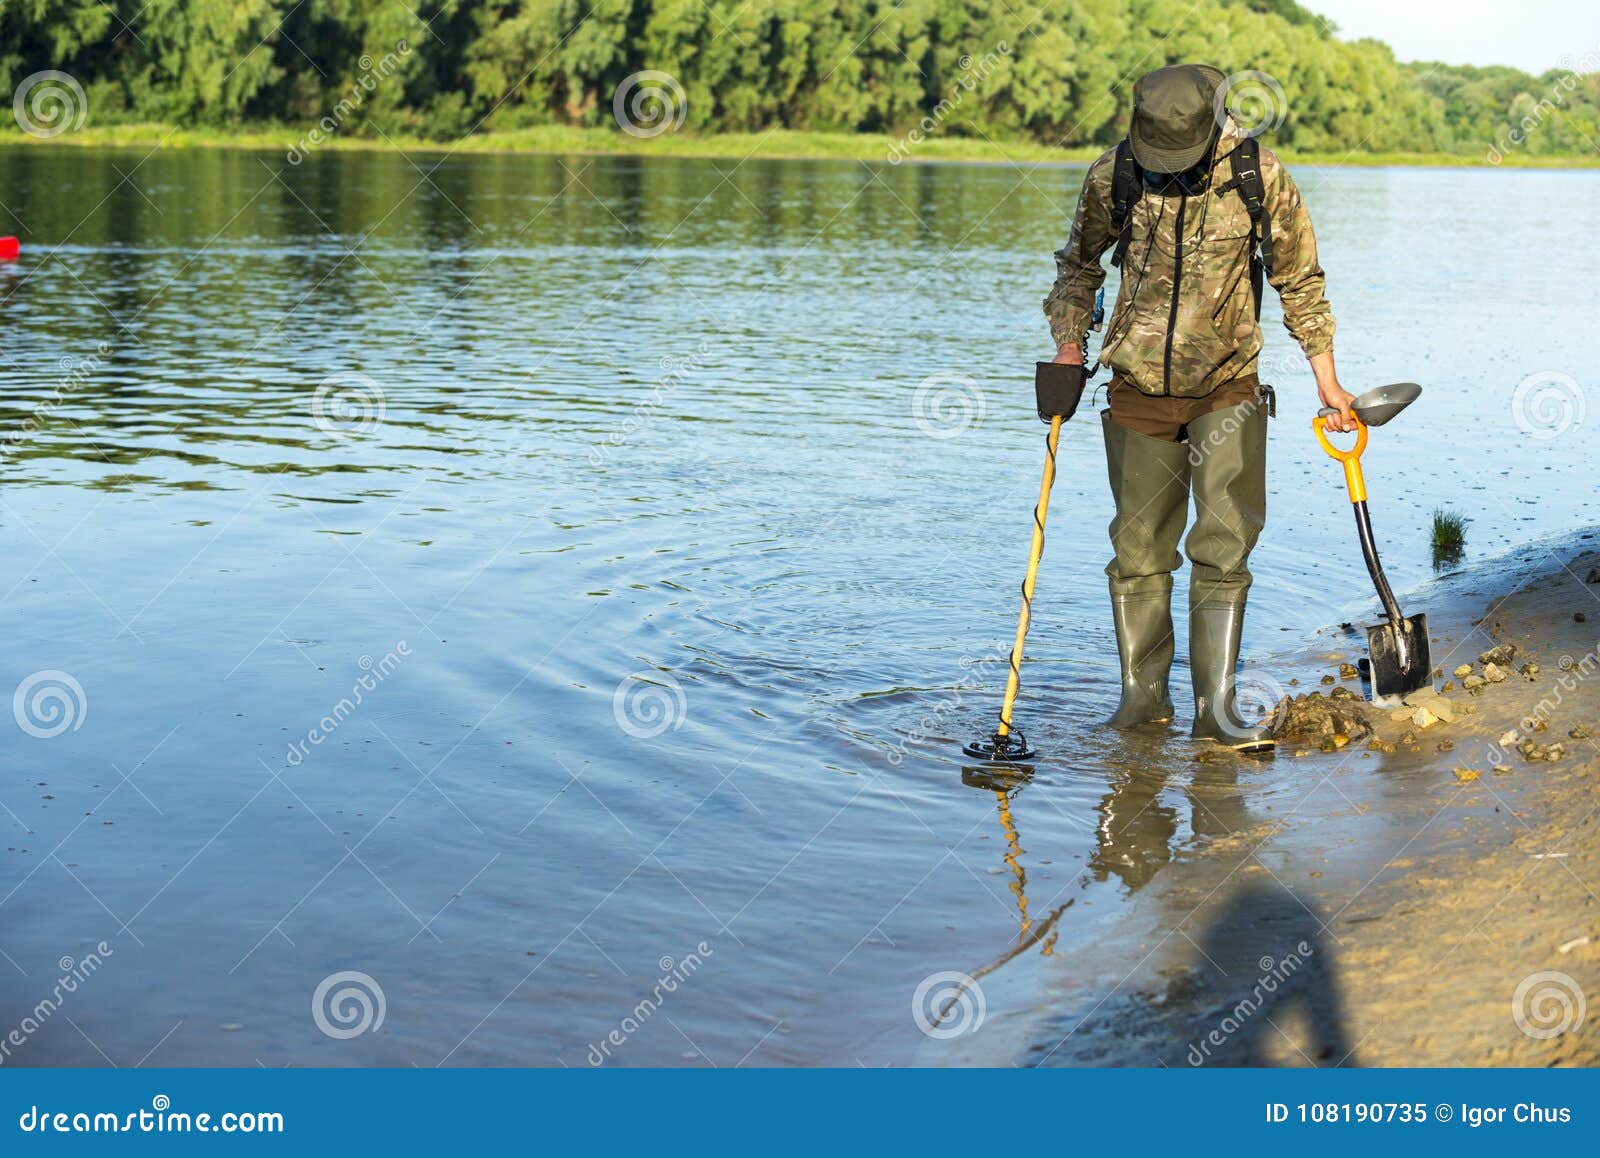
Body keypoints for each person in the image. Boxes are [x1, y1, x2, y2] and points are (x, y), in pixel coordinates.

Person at [1044, 63, 1357, 752]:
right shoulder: (1114, 174)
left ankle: (1215, 711)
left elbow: (1299, 281)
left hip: (1227, 388)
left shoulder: (1258, 175)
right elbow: (1078, 266)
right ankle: (1141, 705)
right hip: (1135, 389)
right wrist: (1069, 346)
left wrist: (1327, 382)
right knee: (1137, 552)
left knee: (1223, 546)